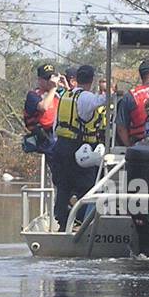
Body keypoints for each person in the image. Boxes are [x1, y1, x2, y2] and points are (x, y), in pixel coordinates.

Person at [51, 64, 108, 229]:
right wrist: (115, 93)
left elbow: (55, 126)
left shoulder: (64, 96)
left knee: (63, 186)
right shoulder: (87, 98)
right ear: (92, 80)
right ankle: (83, 223)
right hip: (78, 149)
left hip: (60, 147)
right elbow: (105, 100)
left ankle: (62, 221)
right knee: (87, 187)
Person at [22, 62, 58, 155]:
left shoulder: (57, 94)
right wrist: (53, 88)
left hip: (57, 133)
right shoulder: (33, 95)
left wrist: (66, 86)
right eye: (47, 78)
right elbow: (44, 107)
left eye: (51, 77)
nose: (50, 81)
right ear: (40, 80)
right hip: (44, 137)